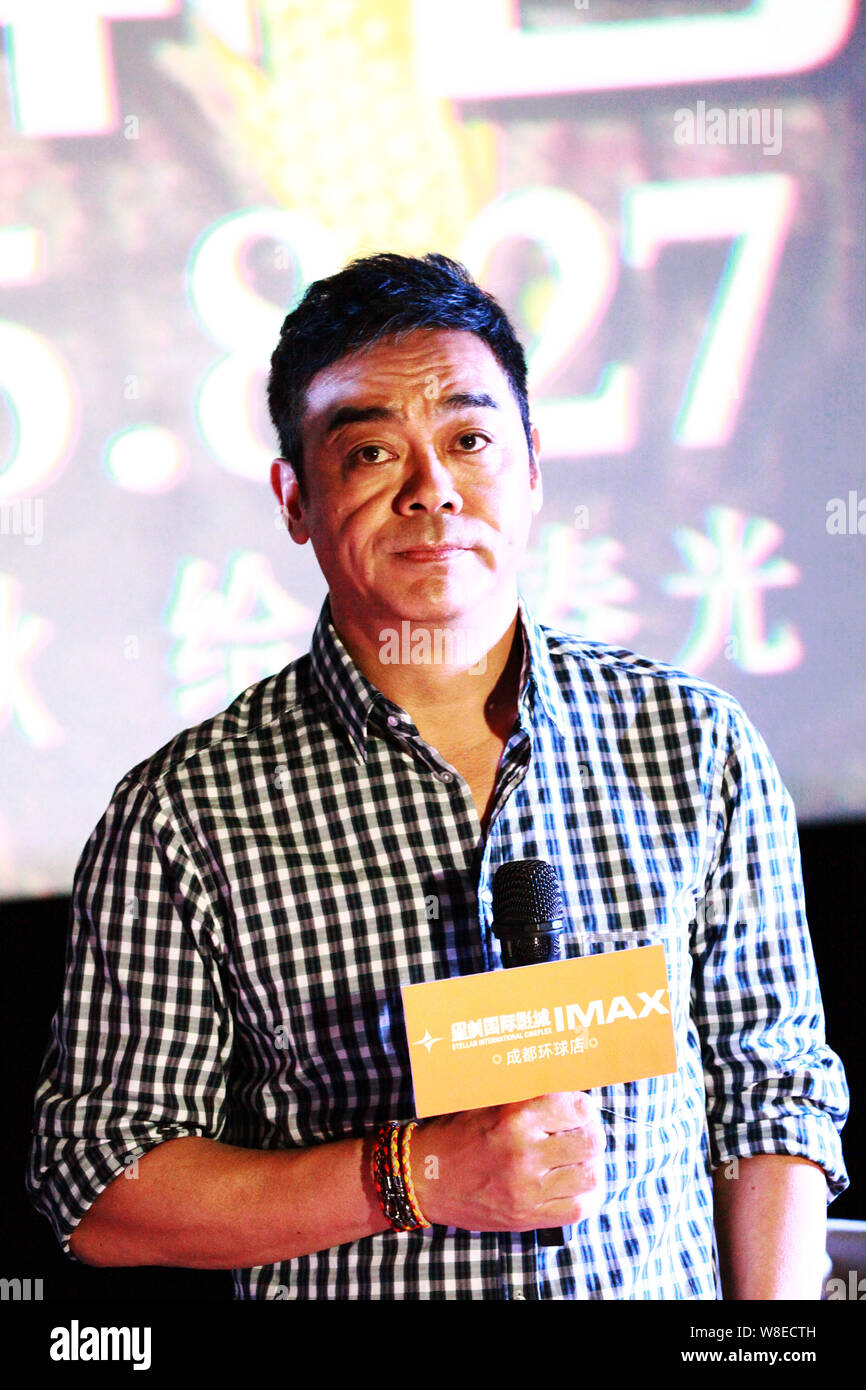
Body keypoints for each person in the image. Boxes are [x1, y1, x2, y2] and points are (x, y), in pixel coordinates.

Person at [28, 253, 848, 1300]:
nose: (432, 490)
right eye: (371, 452)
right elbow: (99, 1188)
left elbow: (766, 1092)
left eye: (468, 439)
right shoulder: (186, 813)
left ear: (533, 466)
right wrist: (413, 1176)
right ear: (294, 498)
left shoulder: (693, 743)